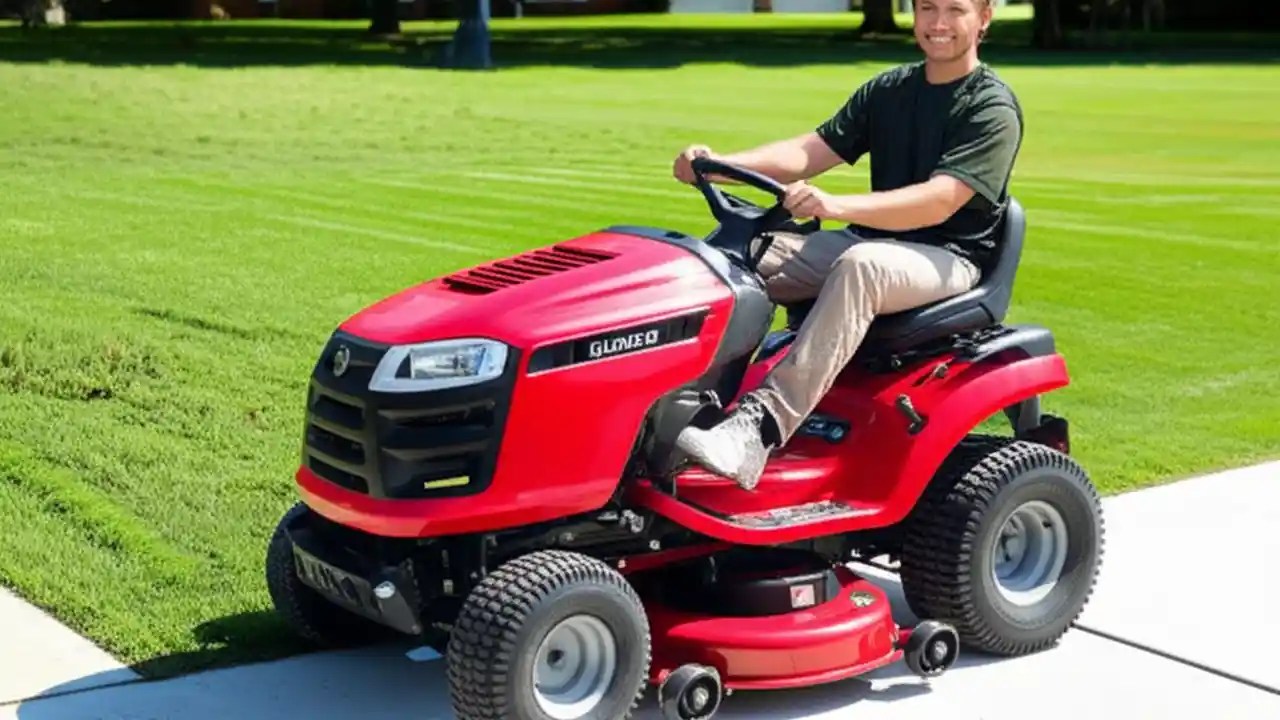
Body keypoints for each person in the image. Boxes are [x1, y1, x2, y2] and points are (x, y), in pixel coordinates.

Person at [671, 0, 1023, 491]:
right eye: (927, 8)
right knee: (739, 257)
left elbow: (939, 202)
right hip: (876, 239)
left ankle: (757, 429)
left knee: (863, 265)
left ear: (983, 18)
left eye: (955, 9)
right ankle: (674, 407)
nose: (938, 23)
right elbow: (808, 152)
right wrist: (720, 162)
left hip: (948, 257)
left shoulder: (990, 107)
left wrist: (837, 207)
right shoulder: (891, 90)